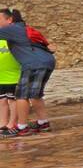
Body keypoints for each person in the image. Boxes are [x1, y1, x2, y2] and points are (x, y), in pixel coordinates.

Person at [0, 7, 55, 136]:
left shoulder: (11, 29)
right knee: (35, 94)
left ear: (10, 20)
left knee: (21, 95)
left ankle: (22, 127)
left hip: (33, 64)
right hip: (46, 62)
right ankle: (43, 123)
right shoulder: (25, 28)